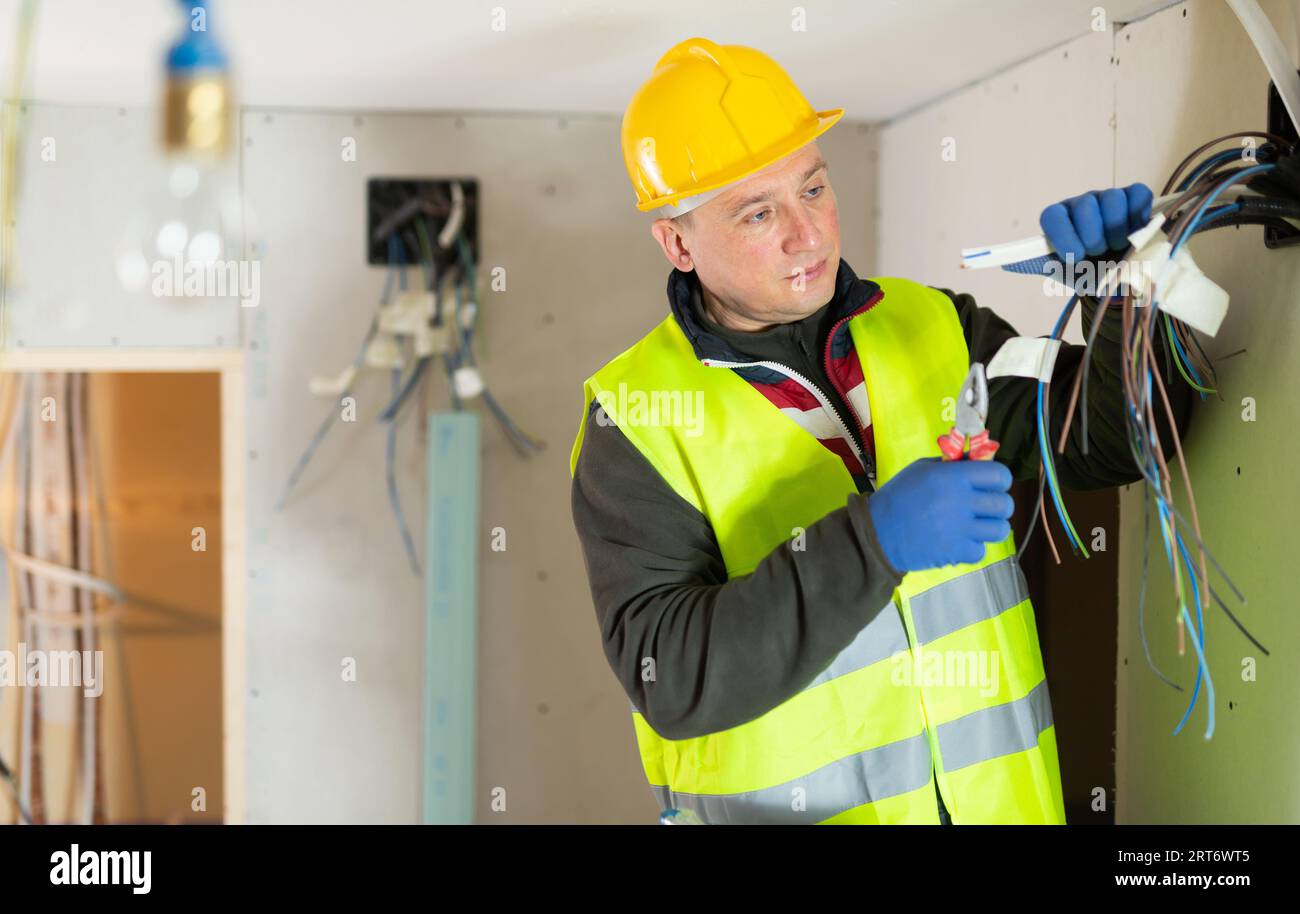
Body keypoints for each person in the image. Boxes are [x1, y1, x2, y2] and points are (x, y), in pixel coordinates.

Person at [569, 37, 1193, 824]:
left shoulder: (937, 327)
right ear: (678, 242)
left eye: (814, 188)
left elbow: (1122, 439)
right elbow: (672, 675)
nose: (810, 234)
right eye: (759, 213)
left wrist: (1123, 292)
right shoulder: (635, 418)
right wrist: (873, 544)